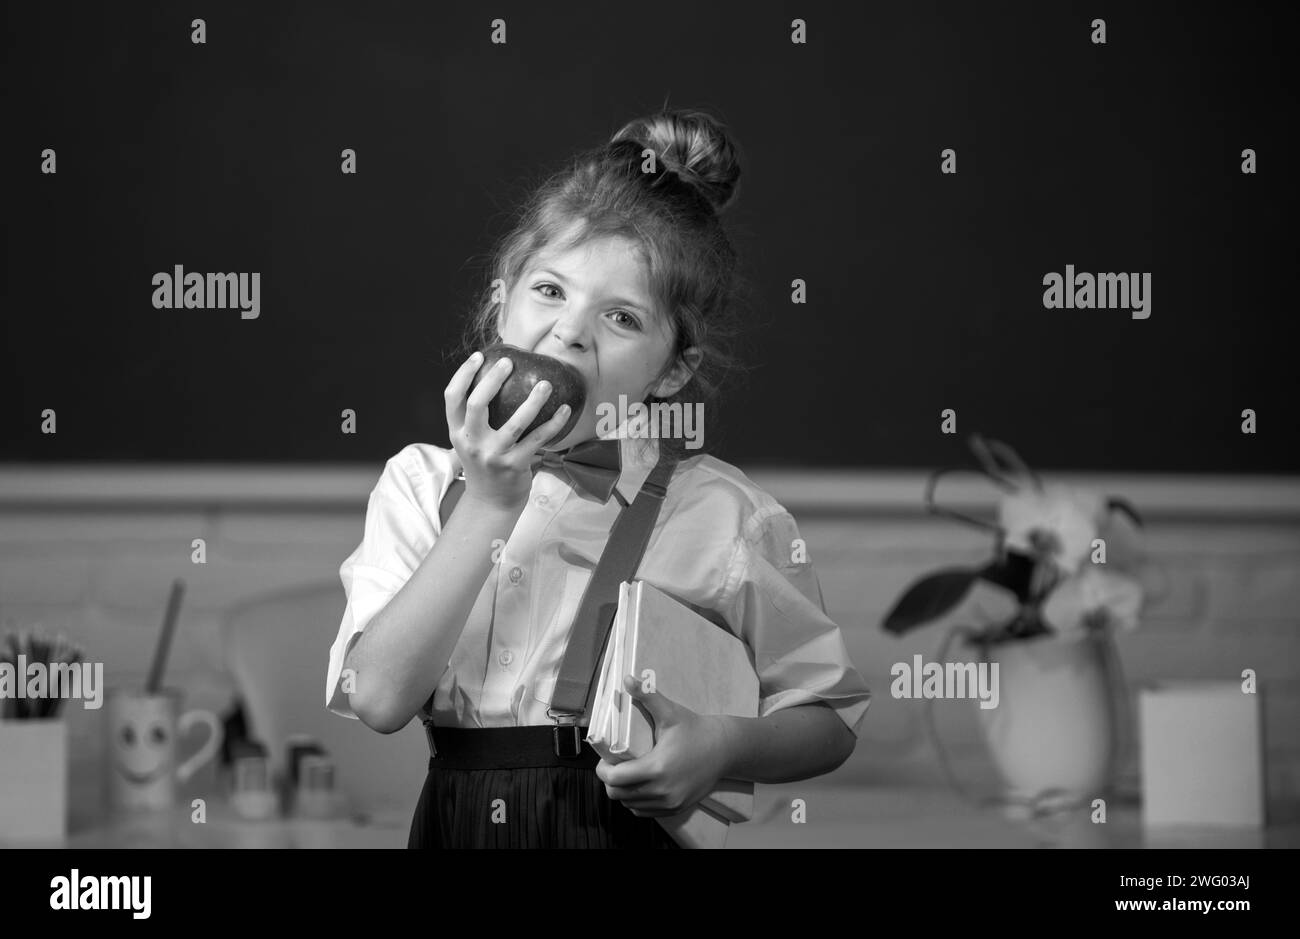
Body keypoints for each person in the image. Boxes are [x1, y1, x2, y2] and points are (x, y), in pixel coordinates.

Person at [325, 108, 871, 848]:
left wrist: (723, 745)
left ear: (673, 370)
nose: (571, 331)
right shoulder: (419, 485)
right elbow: (381, 698)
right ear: (501, 300)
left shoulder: (723, 514)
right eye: (549, 291)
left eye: (621, 317)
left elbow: (830, 719)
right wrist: (487, 504)